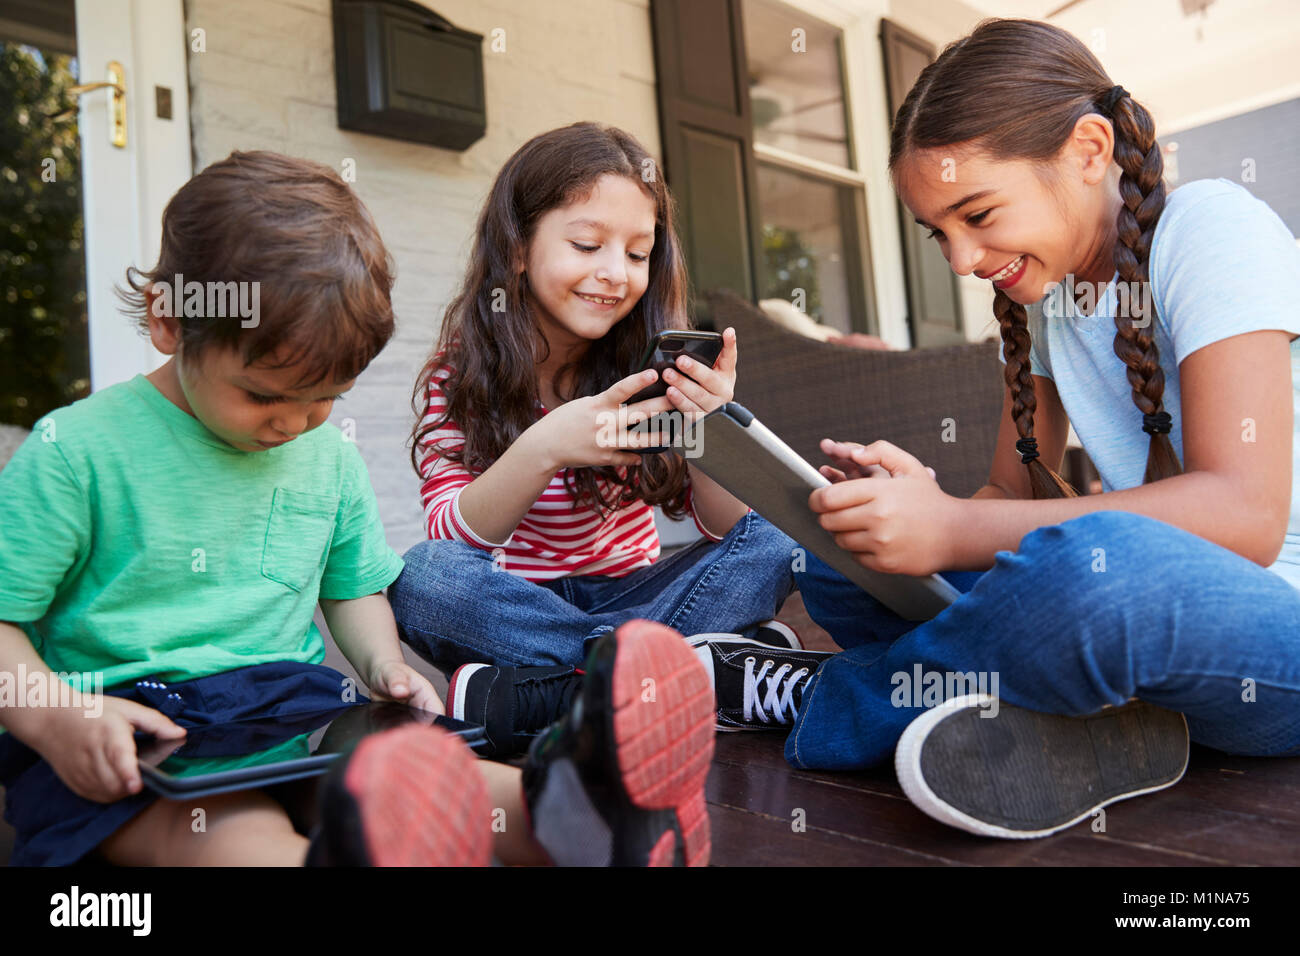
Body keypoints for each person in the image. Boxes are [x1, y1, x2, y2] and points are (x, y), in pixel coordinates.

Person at [0, 151, 714, 866]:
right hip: (134, 730)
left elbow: (354, 589)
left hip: (287, 710)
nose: (297, 423)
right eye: (265, 396)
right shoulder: (77, 452)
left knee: (433, 775)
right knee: (232, 829)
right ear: (169, 321)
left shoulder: (326, 454)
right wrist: (59, 716)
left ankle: (592, 823)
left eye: (325, 398)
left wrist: (382, 666)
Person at [687, 17, 1300, 839]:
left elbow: (1245, 517)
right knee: (846, 563)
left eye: (976, 214)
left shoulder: (1209, 229)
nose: (961, 261)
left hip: (1266, 639)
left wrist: (955, 527)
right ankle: (1098, 732)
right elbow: (1002, 500)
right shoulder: (1047, 302)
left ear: (1088, 151)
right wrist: (918, 510)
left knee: (1100, 574)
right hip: (1150, 661)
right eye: (939, 232)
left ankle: (828, 696)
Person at [389, 123, 800, 755]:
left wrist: (710, 429)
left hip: (637, 589)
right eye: (586, 245)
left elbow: (724, 529)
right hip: (514, 606)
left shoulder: (643, 365)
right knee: (424, 579)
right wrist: (545, 444)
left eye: (638, 255)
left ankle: (562, 690)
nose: (615, 274)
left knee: (775, 533)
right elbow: (452, 535)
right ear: (518, 248)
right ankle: (689, 671)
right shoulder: (461, 373)